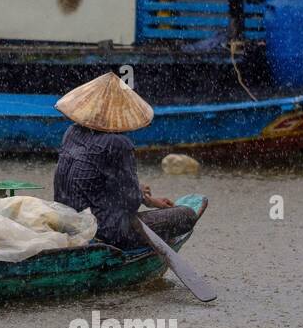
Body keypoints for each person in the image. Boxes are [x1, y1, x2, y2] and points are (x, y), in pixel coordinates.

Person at [52, 72, 201, 251]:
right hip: (105, 231)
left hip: (68, 223)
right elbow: (129, 201)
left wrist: (145, 197)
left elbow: (88, 183)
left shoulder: (71, 132)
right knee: (186, 215)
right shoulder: (118, 143)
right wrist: (139, 194)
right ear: (121, 112)